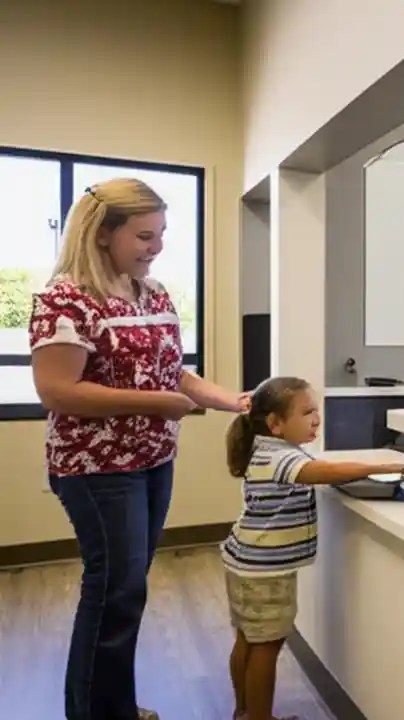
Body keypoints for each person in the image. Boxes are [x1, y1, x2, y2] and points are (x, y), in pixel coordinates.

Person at [29, 178, 249, 720]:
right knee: (113, 594)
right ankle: (94, 713)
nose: (157, 247)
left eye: (162, 234)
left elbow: (173, 371)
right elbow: (57, 390)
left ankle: (115, 707)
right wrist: (155, 403)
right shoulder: (65, 301)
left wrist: (234, 401)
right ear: (103, 235)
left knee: (126, 593)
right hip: (97, 470)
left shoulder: (152, 294)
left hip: (153, 463)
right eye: (145, 236)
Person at [222, 376, 404, 720]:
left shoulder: (267, 449)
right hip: (265, 571)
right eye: (307, 412)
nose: (316, 420)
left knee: (248, 639)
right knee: (266, 645)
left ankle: (244, 712)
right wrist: (384, 466)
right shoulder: (280, 458)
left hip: (246, 562)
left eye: (316, 411)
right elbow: (325, 471)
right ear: (275, 424)